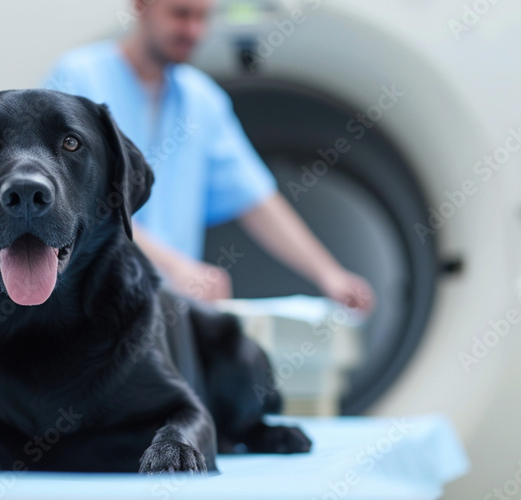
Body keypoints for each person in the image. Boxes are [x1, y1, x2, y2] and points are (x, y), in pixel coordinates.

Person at [44, 0, 374, 311]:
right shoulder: (80, 78)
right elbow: (80, 204)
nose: (194, 31)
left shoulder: (201, 99)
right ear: (141, 5)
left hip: (168, 309)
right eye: (181, 14)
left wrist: (329, 274)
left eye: (203, 17)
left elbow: (257, 200)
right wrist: (175, 268)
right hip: (90, 303)